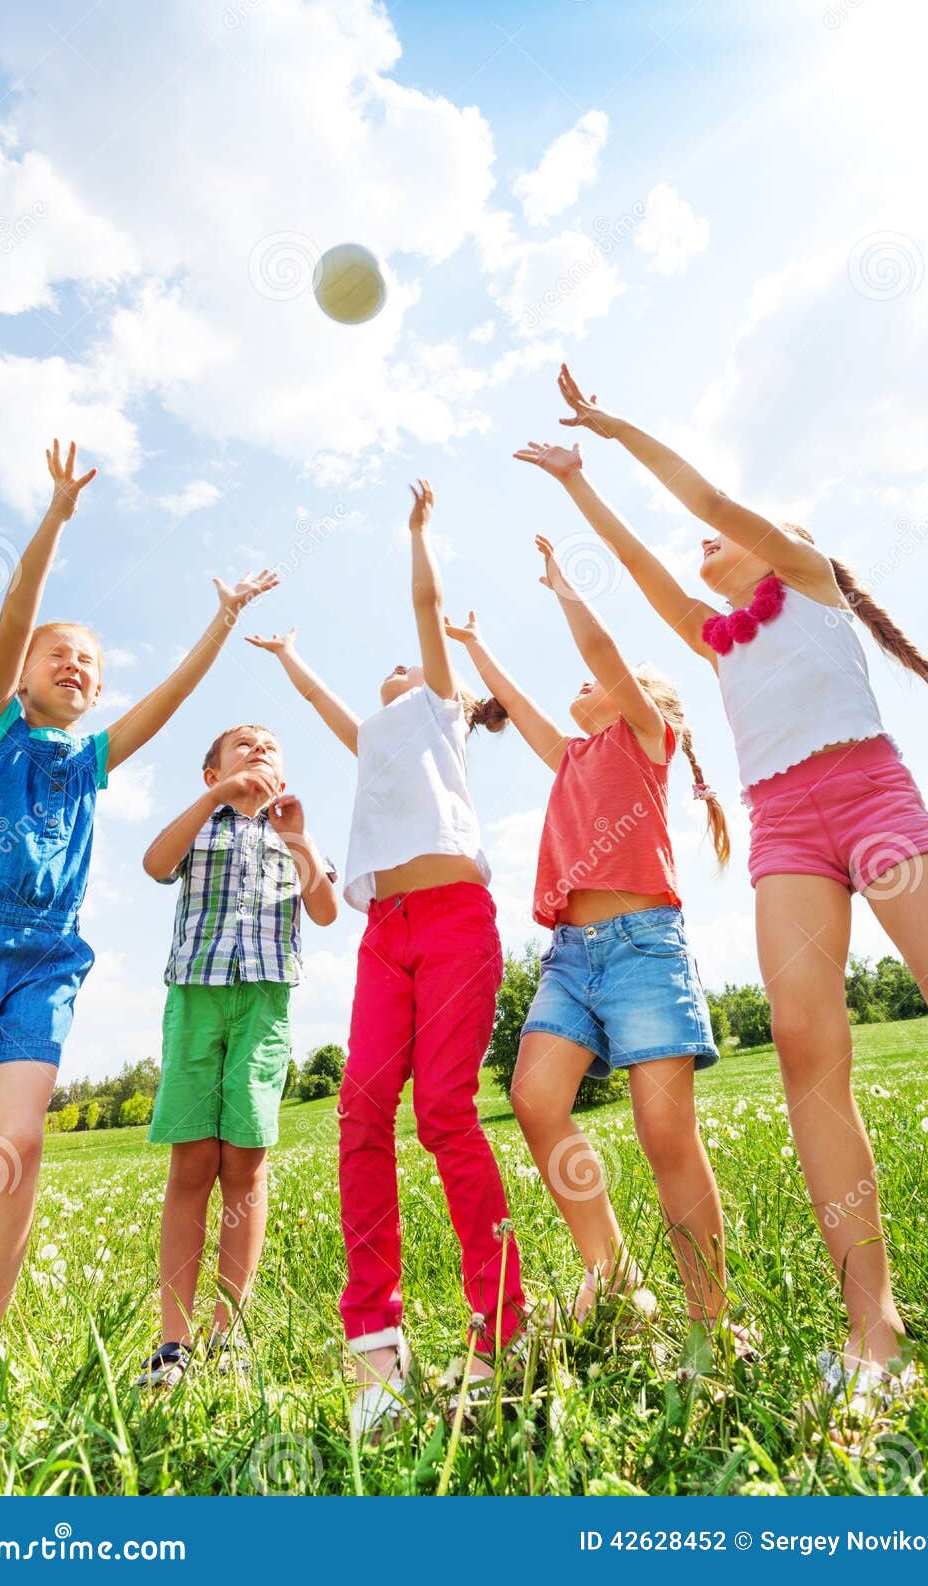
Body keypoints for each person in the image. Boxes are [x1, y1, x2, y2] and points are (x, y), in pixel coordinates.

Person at [516, 363, 928, 1413]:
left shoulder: (807, 579)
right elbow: (635, 563)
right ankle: (872, 1333)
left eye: (722, 537)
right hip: (783, 830)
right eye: (700, 546)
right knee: (809, 1053)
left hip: (869, 798)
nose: (703, 542)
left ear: (777, 541)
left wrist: (612, 425)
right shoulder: (710, 642)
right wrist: (578, 487)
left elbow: (708, 503)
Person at [0, 440, 274, 1471]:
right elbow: (14, 612)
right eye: (61, 655)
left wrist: (223, 621)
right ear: (20, 679)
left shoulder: (96, 760)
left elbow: (171, 696)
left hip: (44, 963)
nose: (80, 667)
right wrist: (57, 517)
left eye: (94, 665)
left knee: (9, 1152)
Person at [248, 481, 526, 1435]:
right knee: (361, 1107)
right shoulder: (372, 739)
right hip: (386, 935)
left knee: (445, 1111)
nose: (397, 667)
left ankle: (500, 1333)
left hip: (453, 920)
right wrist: (290, 656)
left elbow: (422, 610)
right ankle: (375, 1347)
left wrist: (417, 533)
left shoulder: (441, 711)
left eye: (410, 663)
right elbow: (326, 699)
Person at [447, 534, 742, 1358]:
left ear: (635, 700)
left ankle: (708, 1322)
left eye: (599, 684)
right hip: (571, 959)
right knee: (536, 1100)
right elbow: (523, 707)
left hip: (644, 950)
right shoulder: (572, 755)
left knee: (664, 1135)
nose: (580, 684)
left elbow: (602, 654)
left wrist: (560, 590)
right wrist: (475, 648)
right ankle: (609, 1273)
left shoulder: (646, 740)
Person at [136, 723, 337, 1390]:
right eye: (242, 744)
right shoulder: (201, 827)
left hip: (264, 1003)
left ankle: (228, 1335)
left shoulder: (293, 836)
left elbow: (327, 910)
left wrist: (299, 834)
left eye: (271, 745)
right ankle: (172, 1341)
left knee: (245, 1161)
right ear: (211, 772)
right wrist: (215, 799)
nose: (259, 748)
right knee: (192, 1157)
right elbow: (154, 865)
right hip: (195, 998)